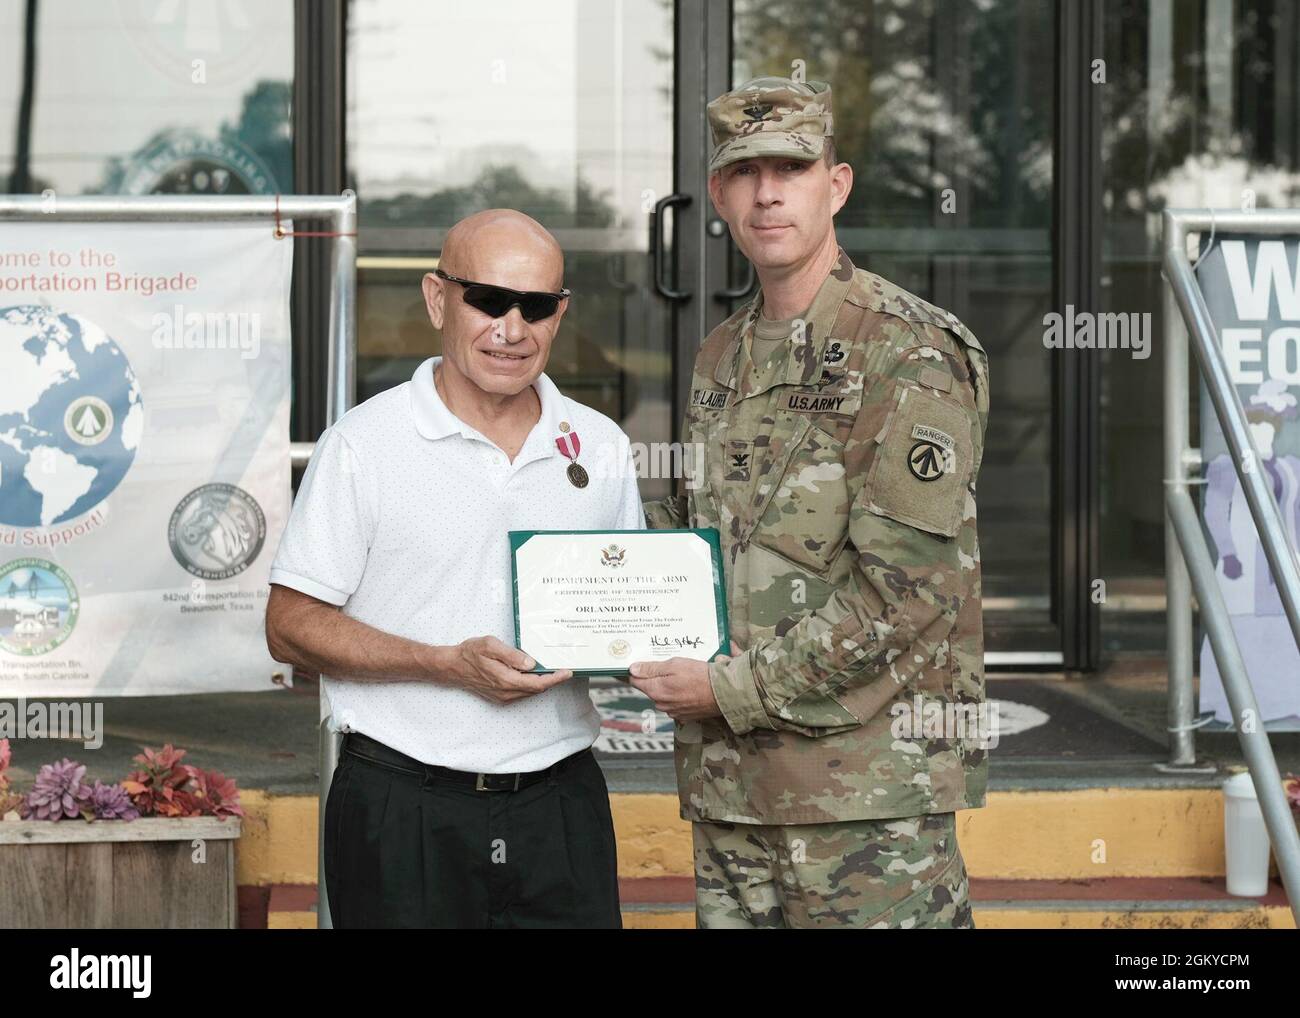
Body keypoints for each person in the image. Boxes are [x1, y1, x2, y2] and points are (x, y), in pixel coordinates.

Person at [629, 77, 992, 928]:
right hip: (732, 792)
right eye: (744, 172)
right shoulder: (721, 355)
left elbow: (910, 594)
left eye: (790, 168)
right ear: (719, 195)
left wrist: (730, 690)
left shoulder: (908, 347)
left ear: (836, 185)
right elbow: (696, 539)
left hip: (867, 805)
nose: (767, 193)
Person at [265, 209, 643, 928]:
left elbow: (626, 612)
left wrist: (671, 653)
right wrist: (443, 664)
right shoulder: (362, 444)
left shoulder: (601, 447)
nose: (512, 328)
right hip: (402, 805)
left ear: (560, 315)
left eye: (536, 307)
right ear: (438, 299)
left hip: (560, 807)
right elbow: (288, 627)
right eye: (489, 301)